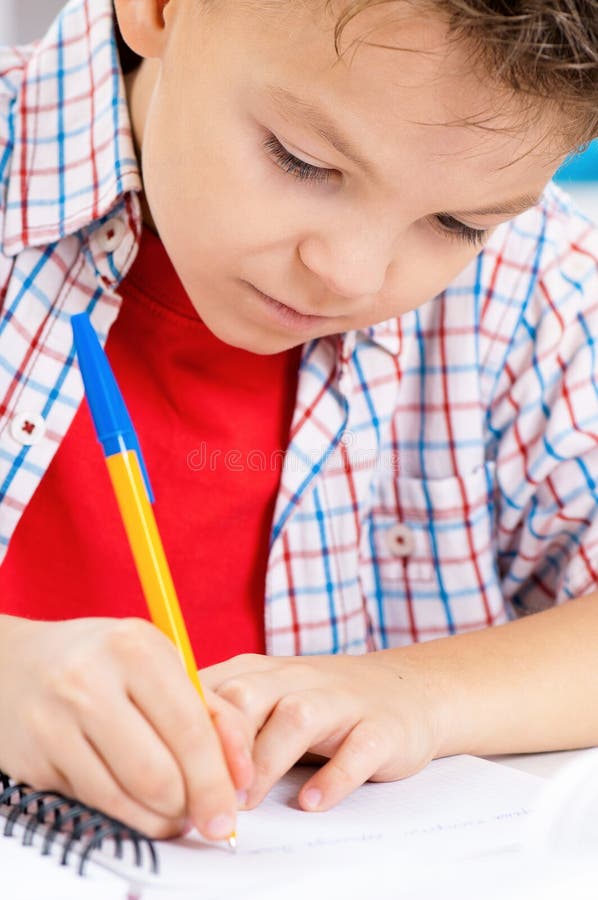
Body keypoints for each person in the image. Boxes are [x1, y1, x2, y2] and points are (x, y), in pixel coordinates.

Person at [1, 0, 598, 844]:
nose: (351, 276)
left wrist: (420, 694)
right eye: (304, 160)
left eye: (457, 223)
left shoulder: (537, 287)